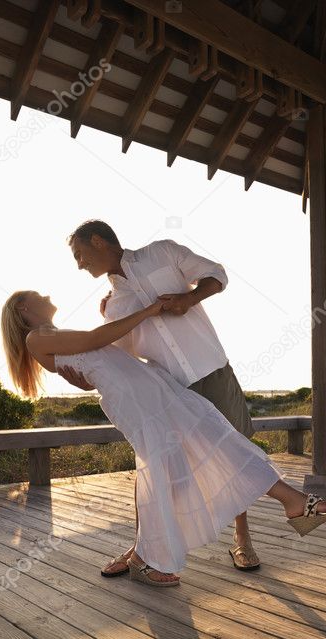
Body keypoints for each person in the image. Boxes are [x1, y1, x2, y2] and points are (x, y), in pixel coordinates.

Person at [0, 290, 326, 587]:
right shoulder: (36, 338)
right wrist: (149, 309)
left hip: (149, 388)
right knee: (166, 470)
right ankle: (148, 557)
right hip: (137, 399)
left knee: (217, 440)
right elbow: (96, 340)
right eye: (37, 295)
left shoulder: (54, 334)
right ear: (23, 309)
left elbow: (99, 362)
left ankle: (293, 502)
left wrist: (108, 321)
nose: (46, 296)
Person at [57, 220, 266, 573]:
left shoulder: (163, 252)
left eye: (80, 254)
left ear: (98, 241)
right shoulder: (113, 306)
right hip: (168, 388)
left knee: (233, 453)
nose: (79, 263)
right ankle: (143, 548)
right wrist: (87, 382)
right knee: (158, 468)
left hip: (211, 369)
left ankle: (242, 540)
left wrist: (190, 298)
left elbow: (216, 274)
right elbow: (121, 359)